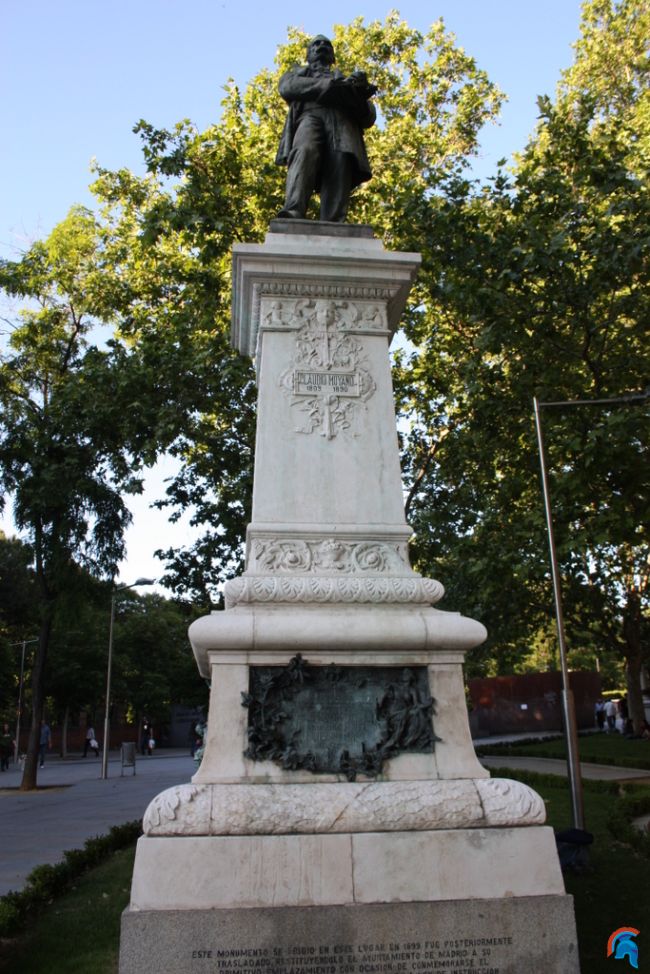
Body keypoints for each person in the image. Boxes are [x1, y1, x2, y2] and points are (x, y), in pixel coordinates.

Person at [275, 34, 376, 223]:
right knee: (305, 150)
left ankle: (334, 219)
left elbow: (369, 117)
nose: (322, 46)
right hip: (310, 116)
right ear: (308, 54)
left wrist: (358, 93)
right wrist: (331, 87)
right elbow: (288, 87)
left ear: (333, 57)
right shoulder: (297, 74)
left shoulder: (345, 79)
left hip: (342, 123)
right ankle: (293, 210)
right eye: (316, 44)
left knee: (340, 161)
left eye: (327, 44)